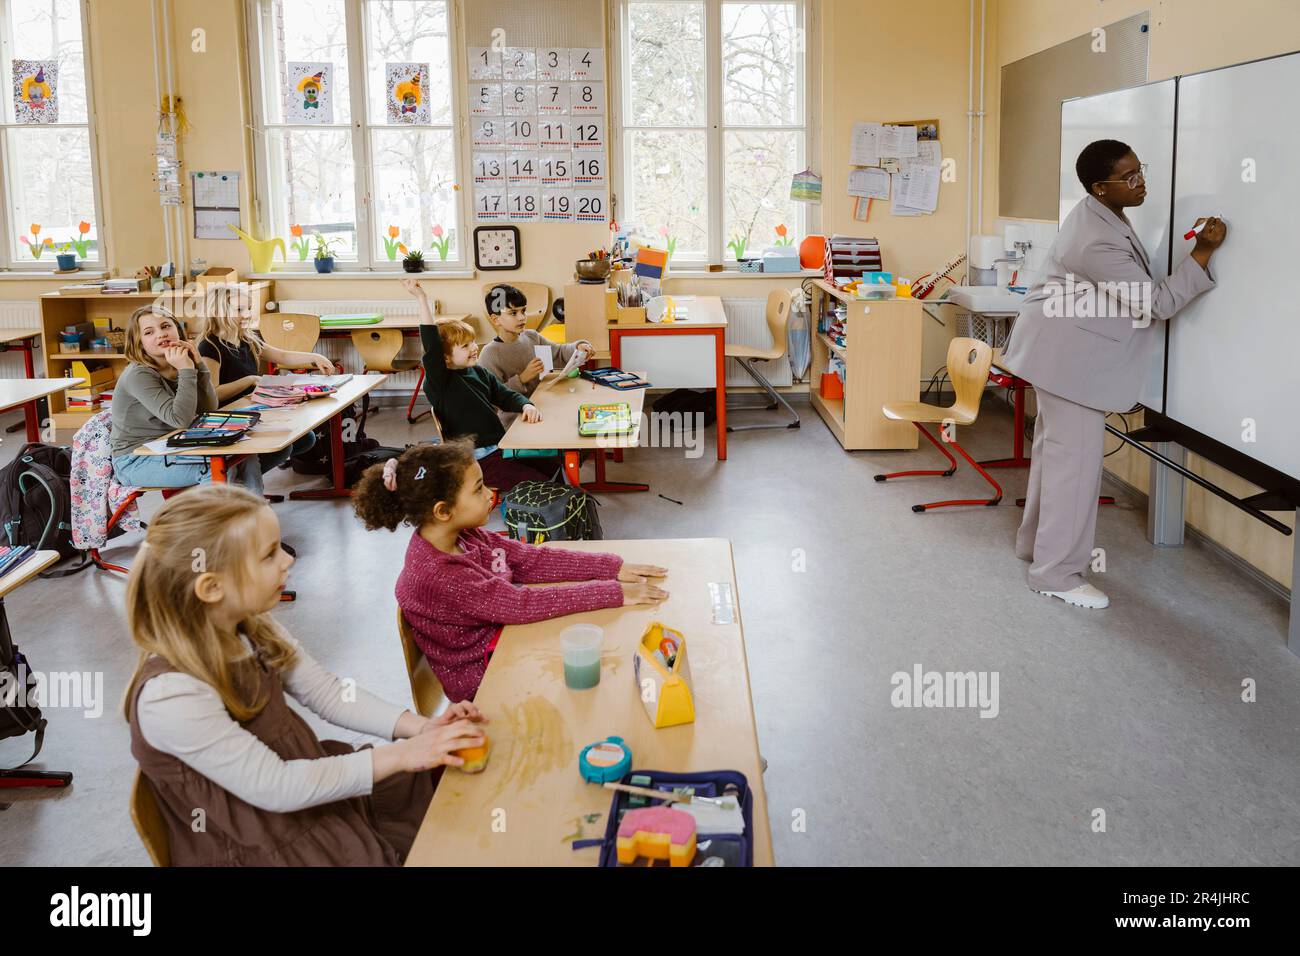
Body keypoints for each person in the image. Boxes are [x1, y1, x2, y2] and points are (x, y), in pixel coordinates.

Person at [123, 484, 487, 866]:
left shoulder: (250, 627)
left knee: (449, 789)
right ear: (211, 587)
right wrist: (403, 754)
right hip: (267, 841)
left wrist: (418, 729)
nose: (287, 561)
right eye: (268, 555)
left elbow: (329, 694)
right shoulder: (170, 696)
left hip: (306, 797)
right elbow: (276, 786)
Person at [1000, 139, 1225, 608]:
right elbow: (1157, 303)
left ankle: (1034, 547)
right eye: (1129, 177)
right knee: (1075, 470)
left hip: (1058, 354)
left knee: (1056, 459)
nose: (1141, 182)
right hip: (1069, 365)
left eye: (1139, 170)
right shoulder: (1095, 238)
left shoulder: (1100, 213)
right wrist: (1202, 252)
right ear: (1101, 188)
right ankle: (1056, 574)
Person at [352, 440, 667, 702]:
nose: (491, 493)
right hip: (485, 678)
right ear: (443, 511)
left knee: (607, 645)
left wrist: (612, 568)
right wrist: (614, 593)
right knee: (609, 662)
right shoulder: (441, 574)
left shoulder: (462, 535)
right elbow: (521, 604)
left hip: (503, 639)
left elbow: (529, 560)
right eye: (478, 489)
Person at [403, 277, 549, 493]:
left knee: (552, 461)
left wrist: (526, 405)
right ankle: (517, 509)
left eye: (472, 342)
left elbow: (505, 395)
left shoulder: (478, 371)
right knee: (540, 481)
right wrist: (422, 299)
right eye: (465, 346)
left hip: (499, 448)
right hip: (477, 461)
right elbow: (431, 344)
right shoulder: (441, 381)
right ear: (444, 358)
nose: (473, 348)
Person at [194, 285, 331, 485]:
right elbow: (213, 394)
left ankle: (243, 474)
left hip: (255, 411)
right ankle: (235, 479)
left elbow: (282, 355)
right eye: (239, 310)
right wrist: (250, 380)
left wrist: (315, 357)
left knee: (306, 439)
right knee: (283, 448)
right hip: (229, 419)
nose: (247, 314)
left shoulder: (247, 338)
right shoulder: (209, 346)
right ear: (218, 312)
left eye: (249, 308)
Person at [110, 305, 257, 489]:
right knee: (215, 470)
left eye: (166, 326)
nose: (161, 334)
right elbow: (180, 419)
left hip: (173, 444)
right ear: (138, 342)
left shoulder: (178, 361)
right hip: (136, 458)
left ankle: (253, 514)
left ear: (178, 330)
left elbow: (208, 409)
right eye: (149, 332)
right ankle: (219, 517)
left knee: (245, 455)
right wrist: (186, 370)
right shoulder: (138, 375)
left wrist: (198, 365)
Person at [477, 283, 592, 426]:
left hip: (543, 406)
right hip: (518, 420)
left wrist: (579, 347)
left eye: (523, 311)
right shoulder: (490, 354)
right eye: (513, 313)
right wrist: (522, 378)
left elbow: (558, 353)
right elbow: (492, 398)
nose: (522, 318)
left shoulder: (531, 336)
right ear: (495, 319)